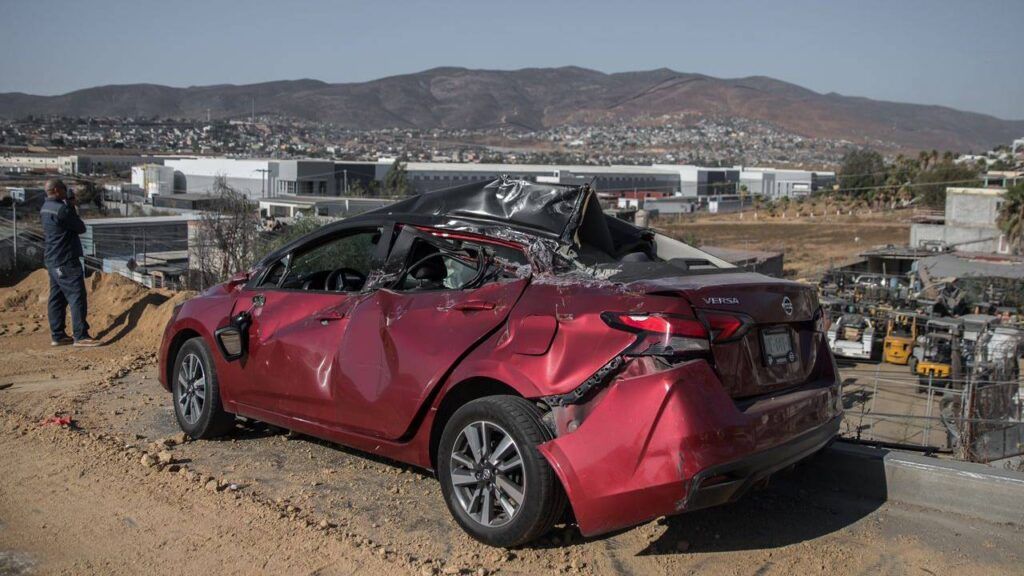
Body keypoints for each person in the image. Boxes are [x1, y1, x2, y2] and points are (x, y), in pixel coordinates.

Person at [40, 179, 100, 347]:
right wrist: (72, 207)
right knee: (76, 295)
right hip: (66, 259)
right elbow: (81, 227)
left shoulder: (45, 208)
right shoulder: (62, 209)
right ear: (57, 190)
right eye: (64, 189)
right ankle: (80, 336)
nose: (66, 193)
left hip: (52, 259)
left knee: (57, 298)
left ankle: (57, 335)